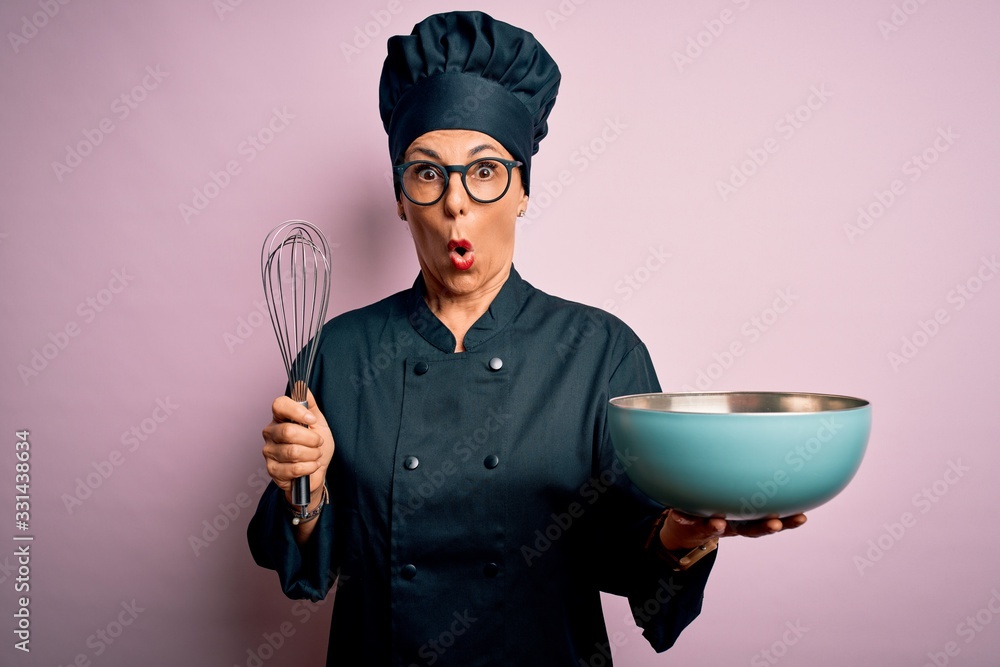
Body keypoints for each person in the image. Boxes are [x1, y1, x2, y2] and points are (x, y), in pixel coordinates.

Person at [248, 11, 805, 666]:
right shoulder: (339, 354)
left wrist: (684, 531)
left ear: (522, 192)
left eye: (485, 171)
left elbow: (636, 564)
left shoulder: (600, 353)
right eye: (427, 173)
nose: (456, 202)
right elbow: (307, 569)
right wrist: (306, 491)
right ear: (400, 197)